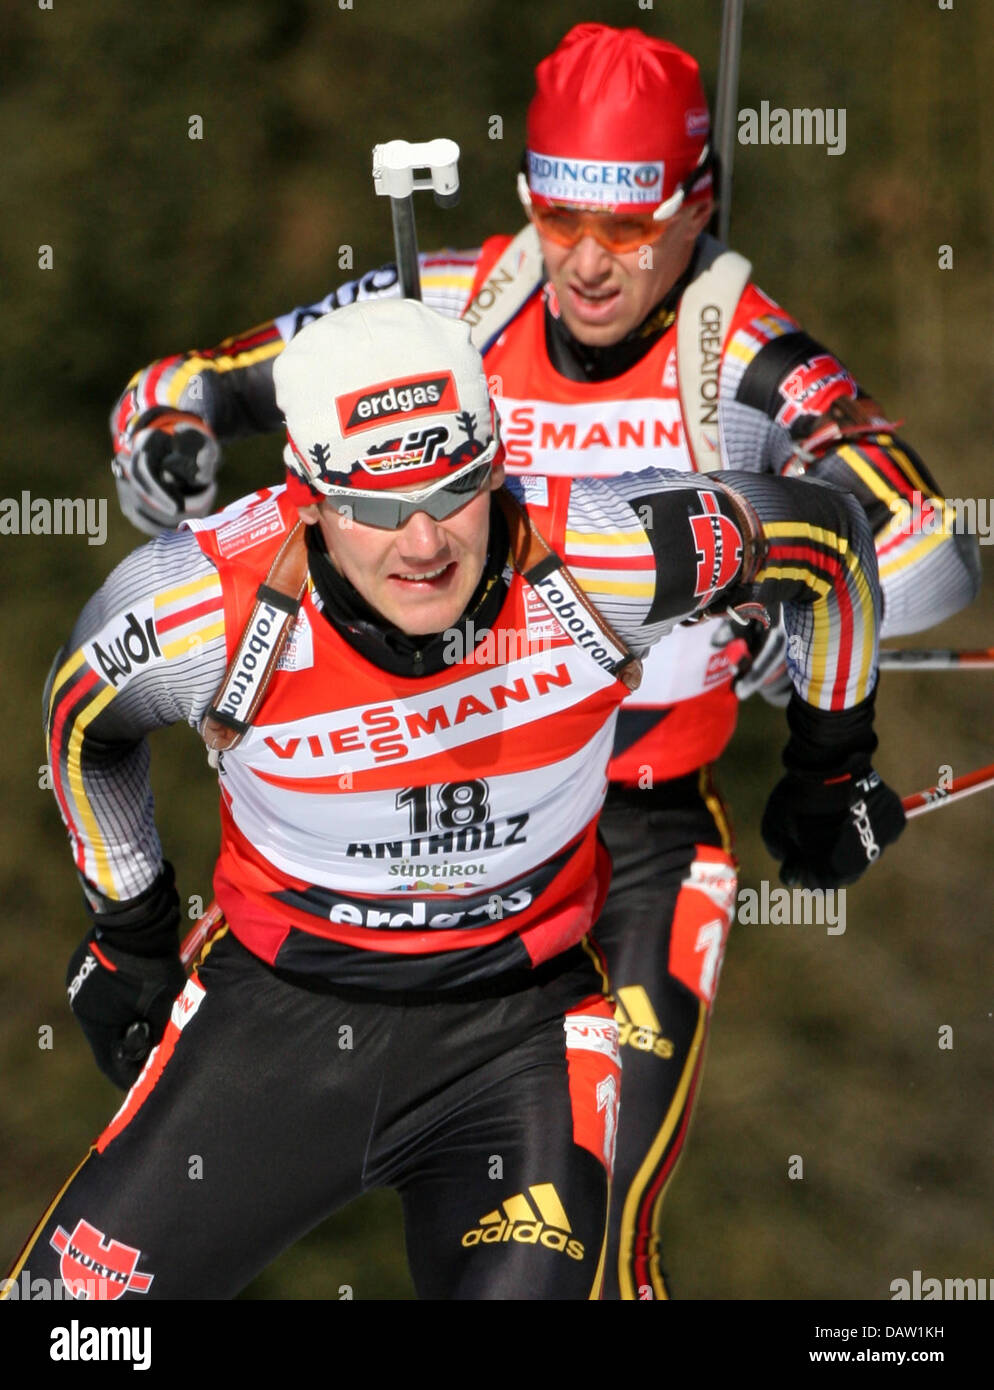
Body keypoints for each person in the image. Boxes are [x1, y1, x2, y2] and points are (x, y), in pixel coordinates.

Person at [105, 25, 980, 1299]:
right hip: (397, 816)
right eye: (558, 213)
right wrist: (169, 445)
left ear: (698, 205)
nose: (582, 262)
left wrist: (776, 631)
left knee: (596, 1219)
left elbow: (923, 541)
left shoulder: (739, 354)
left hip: (630, 841)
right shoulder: (453, 300)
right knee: (138, 1229)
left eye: (626, 231)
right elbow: (179, 386)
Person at [6, 298, 905, 1302]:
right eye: (378, 505)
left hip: (515, 1035)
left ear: (497, 461)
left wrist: (831, 763)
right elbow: (83, 715)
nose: (425, 541)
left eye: (456, 488)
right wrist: (129, 922)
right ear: (305, 495)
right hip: (272, 1025)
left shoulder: (606, 553)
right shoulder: (197, 609)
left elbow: (822, 546)